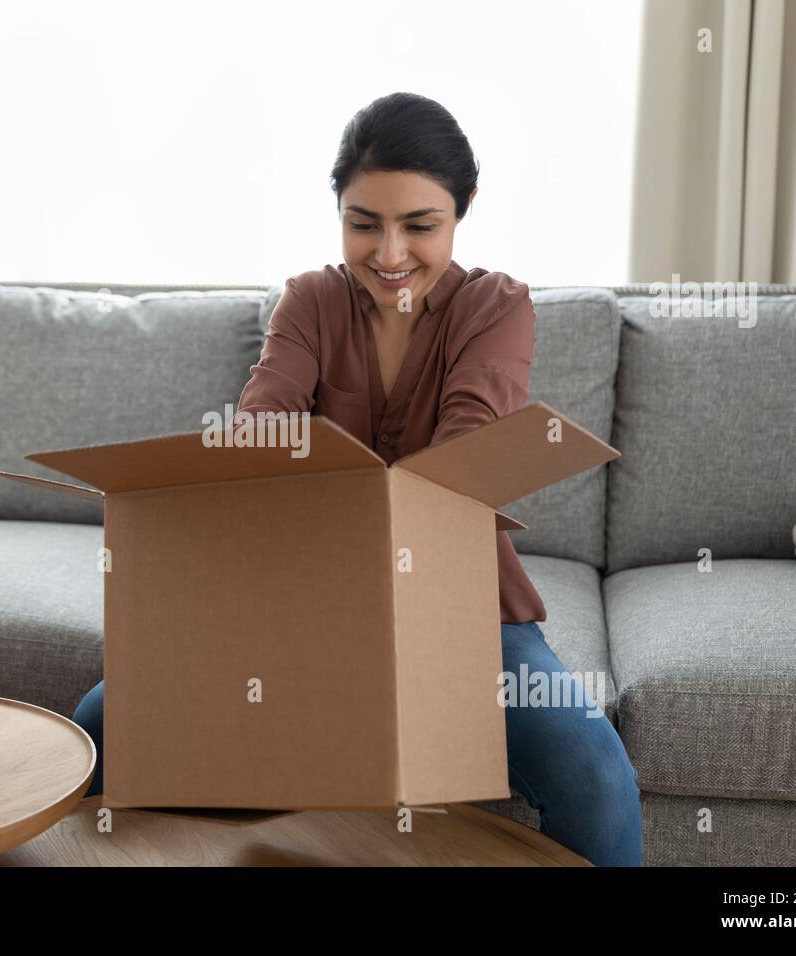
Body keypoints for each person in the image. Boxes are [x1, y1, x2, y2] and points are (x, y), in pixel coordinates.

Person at [73, 91, 643, 866]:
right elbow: (261, 435)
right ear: (338, 211)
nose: (390, 254)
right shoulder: (309, 301)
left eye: (420, 225)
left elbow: (464, 453)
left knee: (595, 773)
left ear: (464, 208)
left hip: (461, 610)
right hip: (310, 603)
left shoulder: (494, 306)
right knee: (104, 722)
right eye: (364, 223)